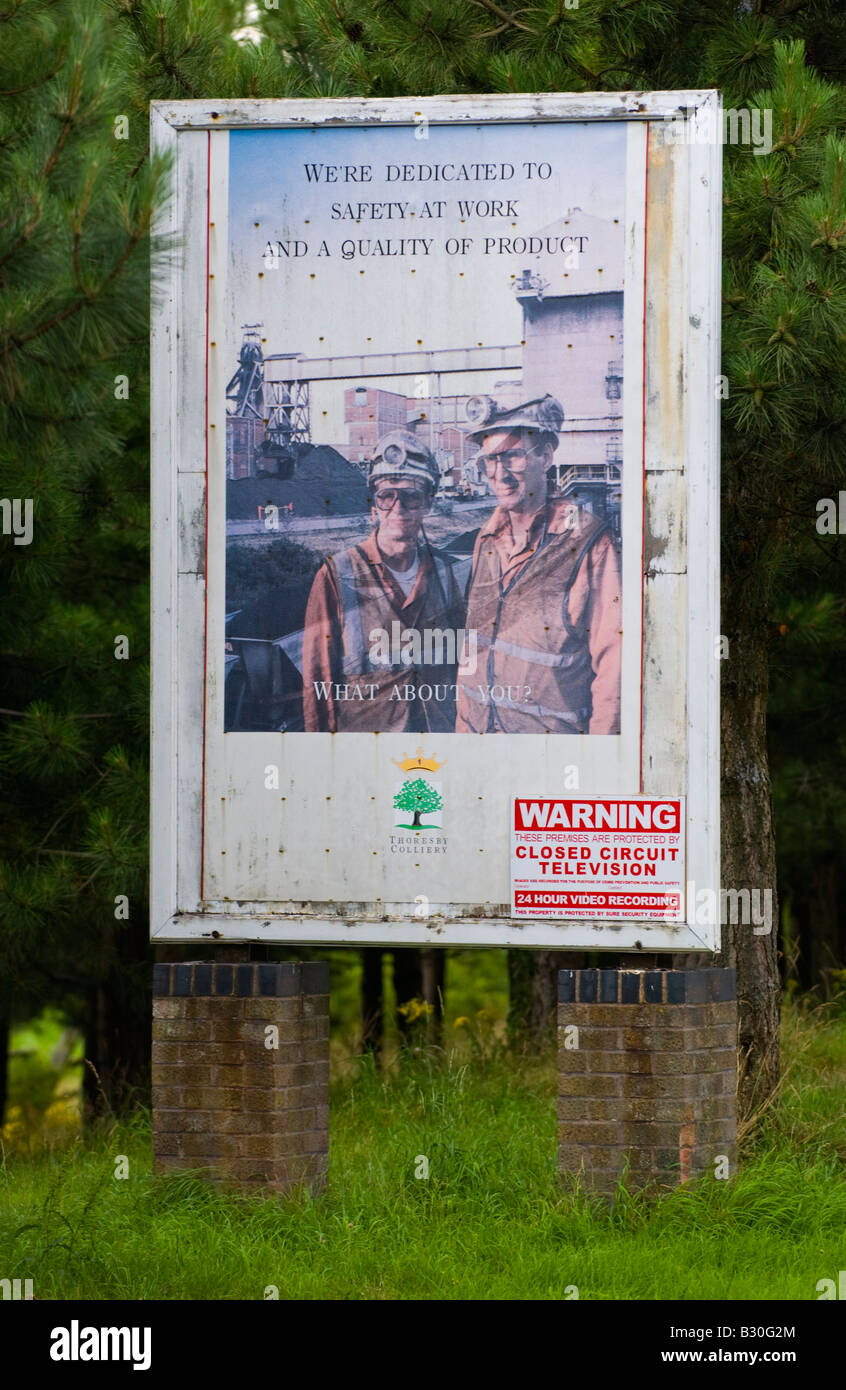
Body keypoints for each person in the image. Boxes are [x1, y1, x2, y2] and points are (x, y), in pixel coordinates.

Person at [455, 394, 622, 735]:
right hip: (478, 741)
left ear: (545, 457)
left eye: (512, 456)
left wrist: (600, 757)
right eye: (490, 460)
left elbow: (615, 667)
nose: (499, 474)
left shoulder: (587, 543)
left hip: (549, 754)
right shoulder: (485, 541)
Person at [302, 430, 466, 732]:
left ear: (428, 504)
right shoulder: (337, 576)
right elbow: (318, 681)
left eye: (411, 496)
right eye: (387, 496)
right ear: (374, 505)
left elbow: (466, 670)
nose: (398, 508)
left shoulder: (448, 576)